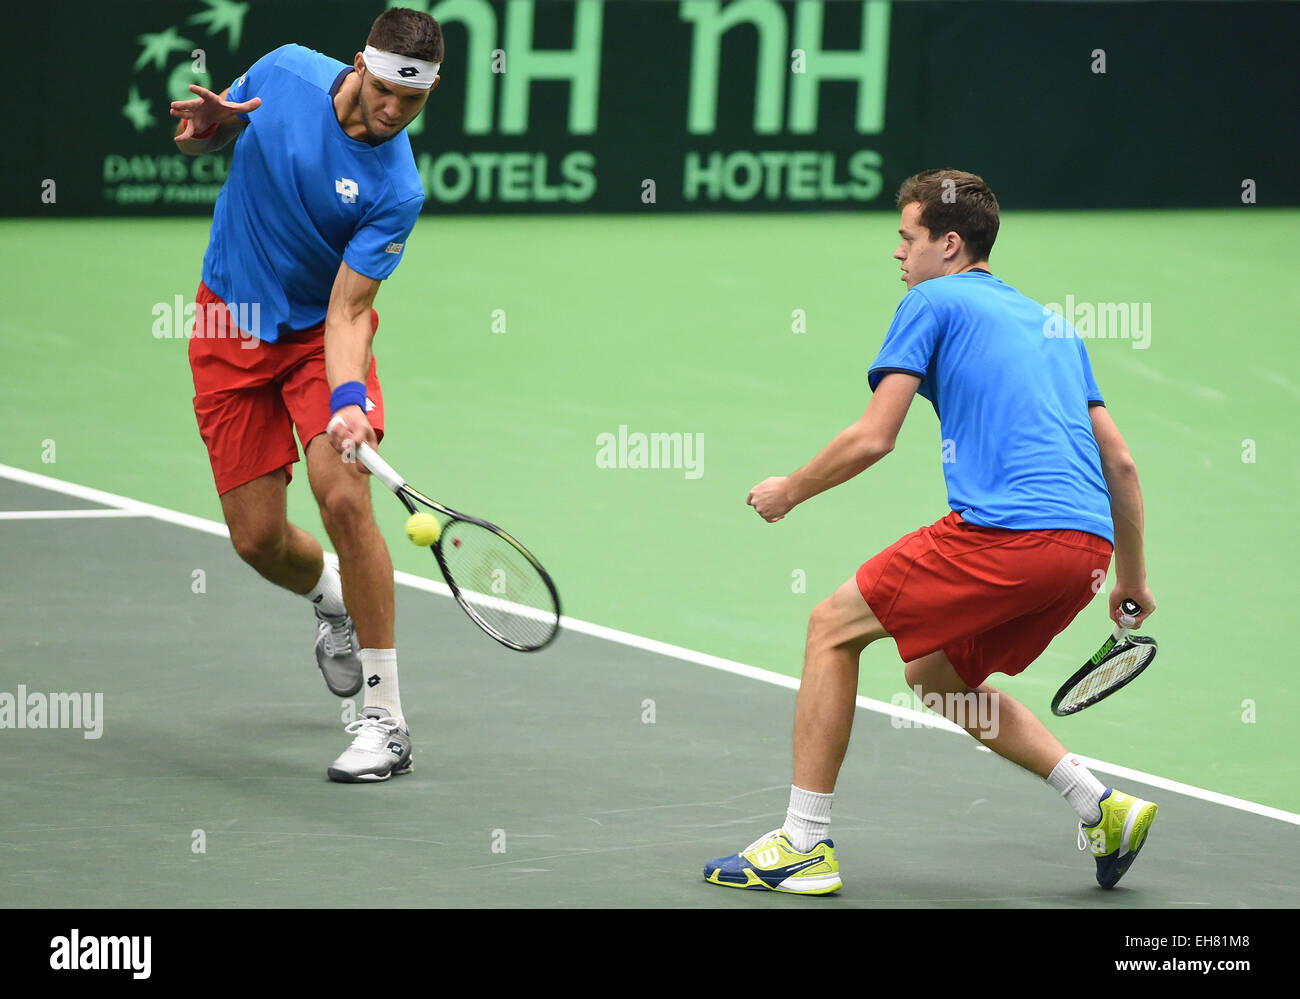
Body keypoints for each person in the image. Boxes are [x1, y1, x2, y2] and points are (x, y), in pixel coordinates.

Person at [704, 169, 1158, 894]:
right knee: (937, 677)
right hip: (1085, 555)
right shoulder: (1054, 324)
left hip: (1007, 536)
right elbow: (1122, 465)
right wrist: (1129, 577)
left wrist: (790, 489)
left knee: (831, 627)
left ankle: (803, 842)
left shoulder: (931, 300)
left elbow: (875, 437)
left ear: (949, 245)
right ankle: (1098, 805)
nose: (898, 254)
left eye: (906, 238)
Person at [170, 8, 442, 782]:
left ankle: (386, 722)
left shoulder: (398, 188)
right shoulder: (286, 70)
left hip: (316, 343)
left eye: (413, 101)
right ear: (362, 64)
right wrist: (212, 130)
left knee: (344, 494)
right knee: (256, 539)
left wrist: (349, 396)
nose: (395, 111)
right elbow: (211, 135)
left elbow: (350, 309)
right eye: (387, 89)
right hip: (228, 320)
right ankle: (331, 599)